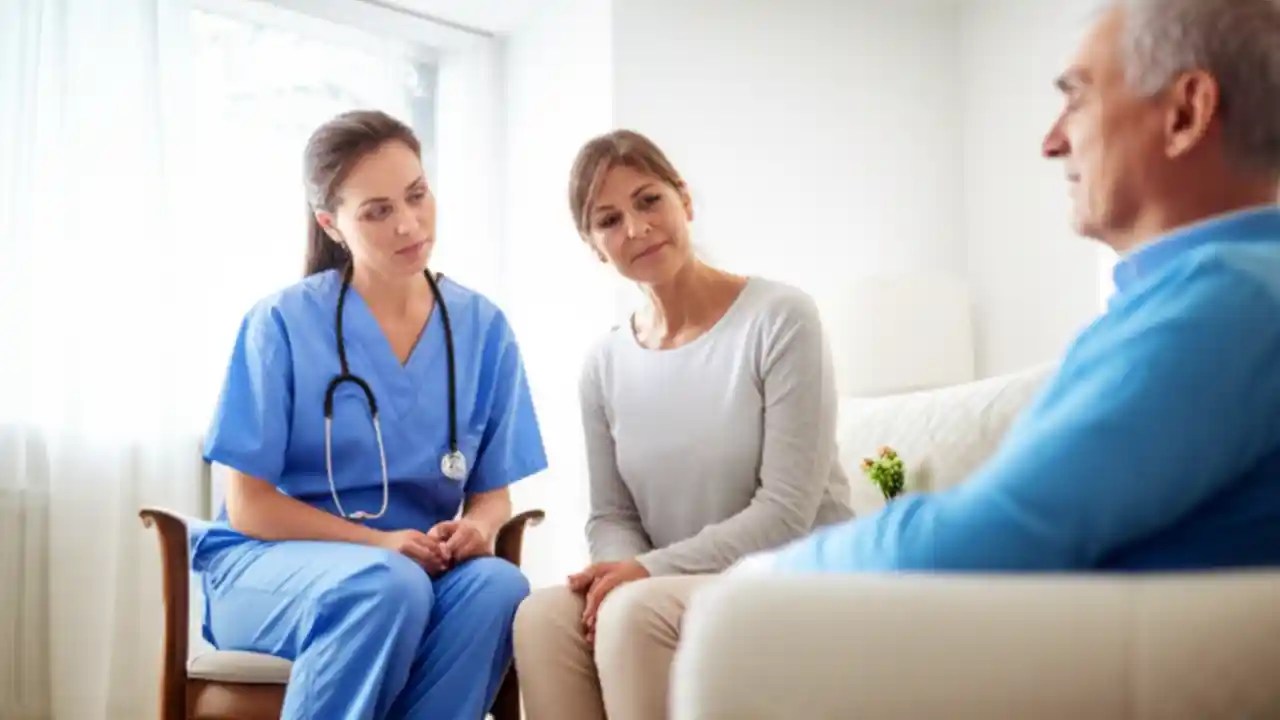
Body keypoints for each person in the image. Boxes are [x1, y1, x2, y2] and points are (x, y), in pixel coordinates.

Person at [735, 0, 1280, 577]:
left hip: (1054, 652)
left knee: (671, 614)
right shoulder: (1221, 296)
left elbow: (991, 535)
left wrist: (760, 577)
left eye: (1076, 97)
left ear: (1185, 113)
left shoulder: (1223, 306)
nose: (1051, 141)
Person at [190, 109, 548, 719]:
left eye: (416, 195)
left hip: (412, 569)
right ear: (331, 224)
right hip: (269, 566)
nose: (408, 224)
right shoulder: (280, 324)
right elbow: (251, 506)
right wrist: (378, 543)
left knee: (497, 588)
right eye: (377, 211)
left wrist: (479, 530)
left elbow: (493, 493)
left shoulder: (482, 329)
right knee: (384, 585)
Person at [512, 130, 854, 720]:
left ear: (684, 201)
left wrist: (641, 574)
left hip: (792, 572)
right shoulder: (605, 362)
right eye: (609, 220)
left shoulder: (780, 318)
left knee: (632, 612)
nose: (636, 230)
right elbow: (612, 516)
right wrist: (615, 578)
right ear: (594, 246)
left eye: (649, 201)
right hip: (674, 585)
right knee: (541, 617)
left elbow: (786, 512)